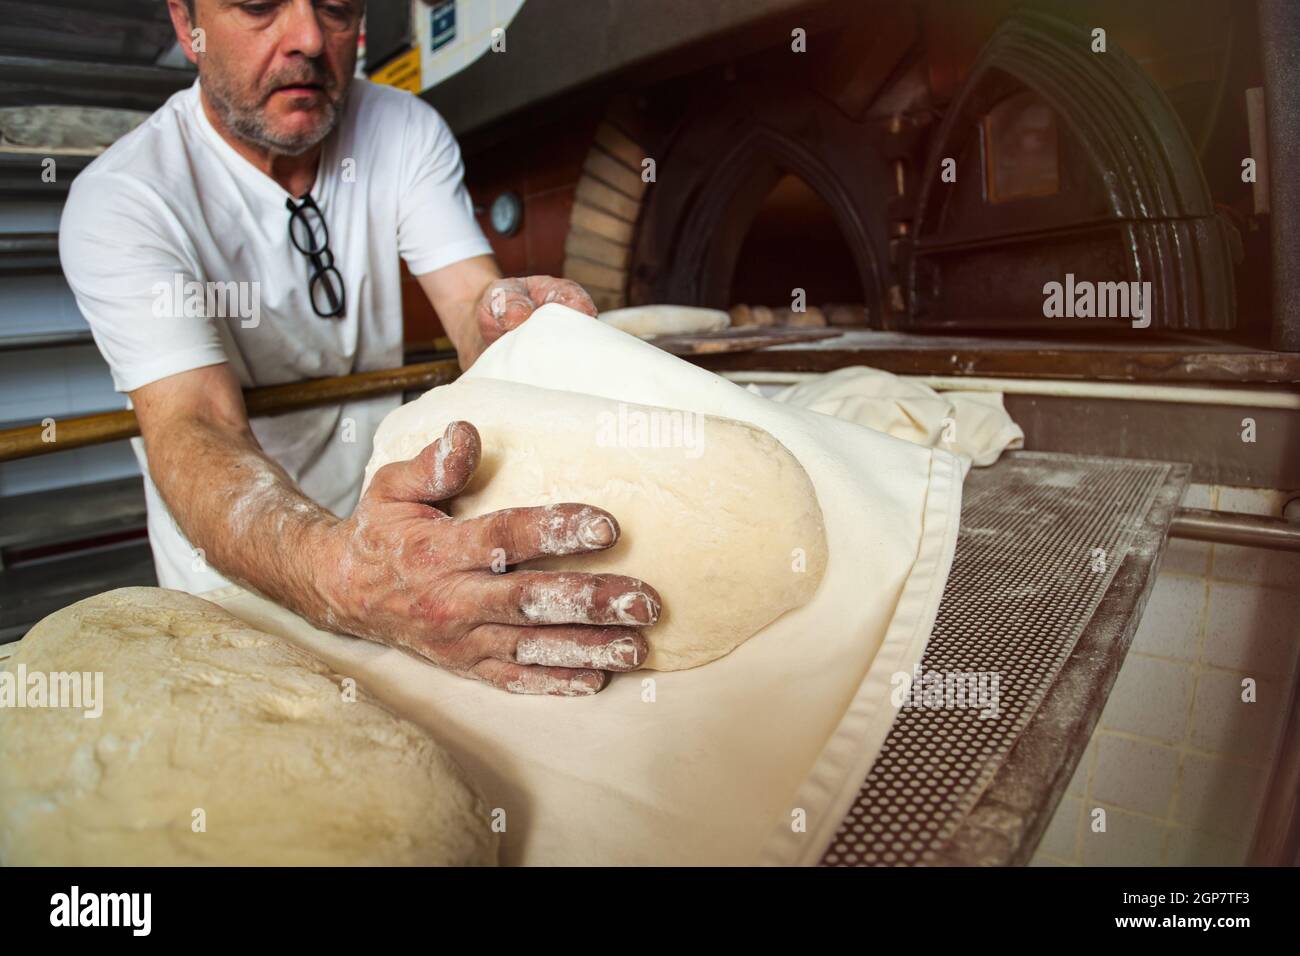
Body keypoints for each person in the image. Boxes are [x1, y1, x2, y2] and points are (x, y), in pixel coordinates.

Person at [57, 0, 659, 696]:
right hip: (239, 580)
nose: (310, 38)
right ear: (184, 24)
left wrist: (510, 325)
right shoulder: (127, 200)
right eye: (258, 5)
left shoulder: (403, 128)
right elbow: (195, 423)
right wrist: (343, 577)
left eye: (337, 7)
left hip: (404, 548)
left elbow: (471, 305)